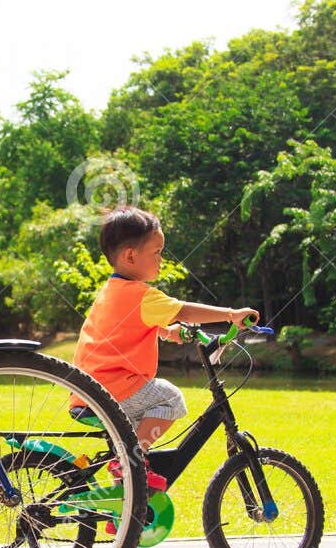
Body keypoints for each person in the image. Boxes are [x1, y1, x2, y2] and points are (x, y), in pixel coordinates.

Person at [73, 207, 257, 487]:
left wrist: (169, 332)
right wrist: (231, 315)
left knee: (136, 434)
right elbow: (183, 310)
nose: (161, 259)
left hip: (89, 391)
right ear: (130, 256)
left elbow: (128, 324)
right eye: (157, 252)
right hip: (113, 389)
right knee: (170, 399)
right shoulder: (141, 295)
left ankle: (129, 492)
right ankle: (129, 464)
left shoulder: (112, 291)